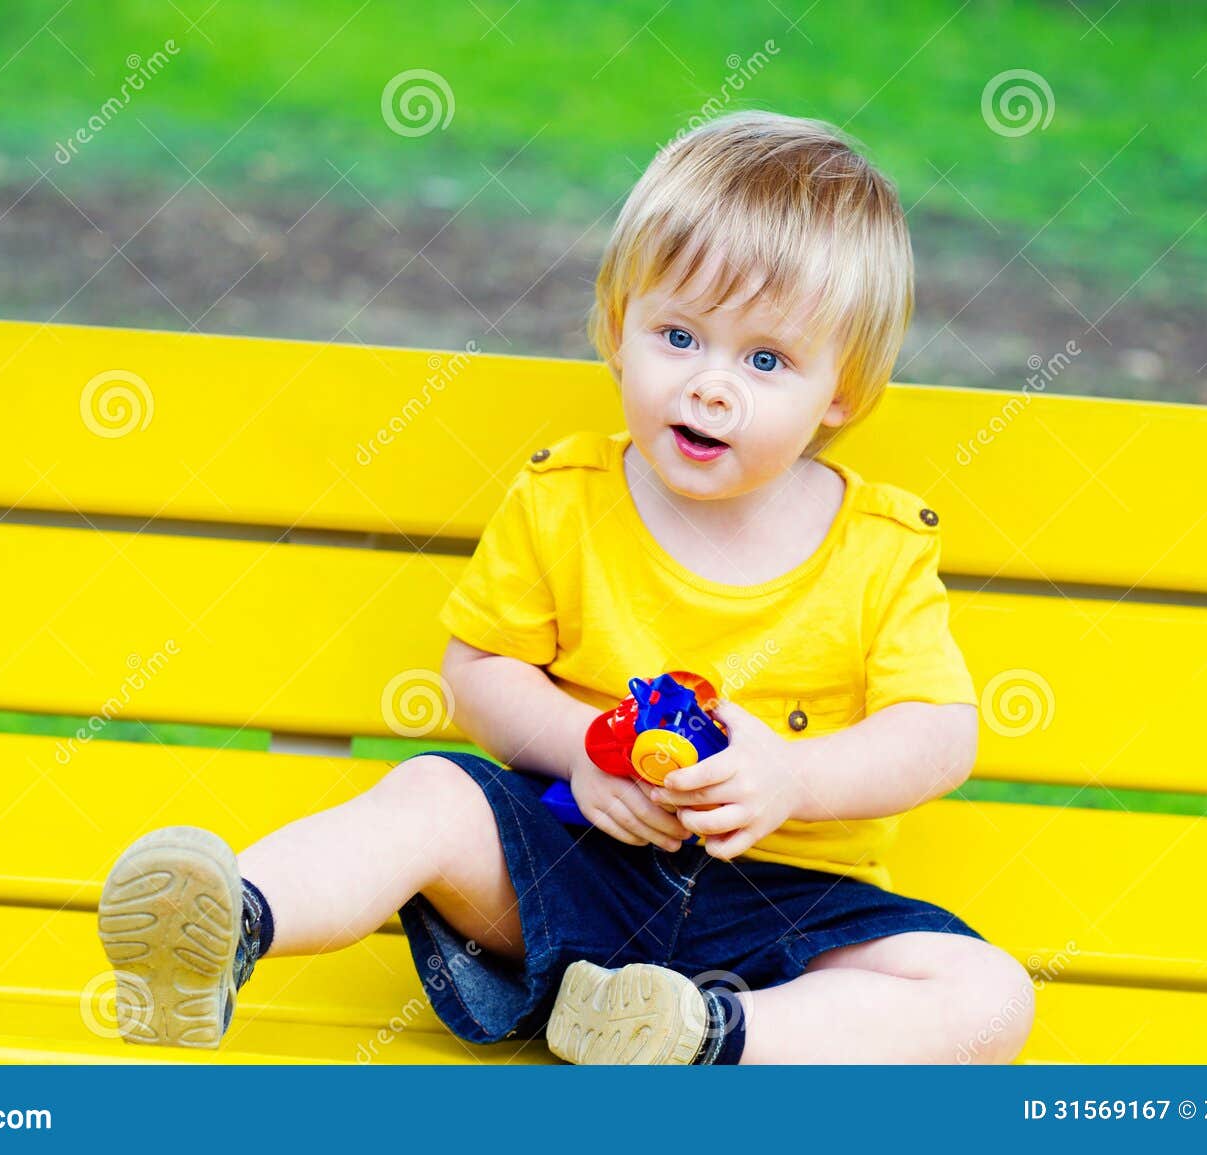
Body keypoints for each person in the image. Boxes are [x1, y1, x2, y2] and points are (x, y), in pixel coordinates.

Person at [97, 109, 1036, 1064]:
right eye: (678, 334)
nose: (712, 385)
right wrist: (581, 754)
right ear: (617, 330)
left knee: (990, 994)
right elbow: (479, 669)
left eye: (765, 360)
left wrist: (796, 778)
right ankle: (229, 924)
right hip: (577, 868)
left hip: (786, 911)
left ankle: (701, 1034)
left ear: (841, 390)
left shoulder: (879, 546)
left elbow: (938, 732)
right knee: (430, 792)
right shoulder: (564, 497)